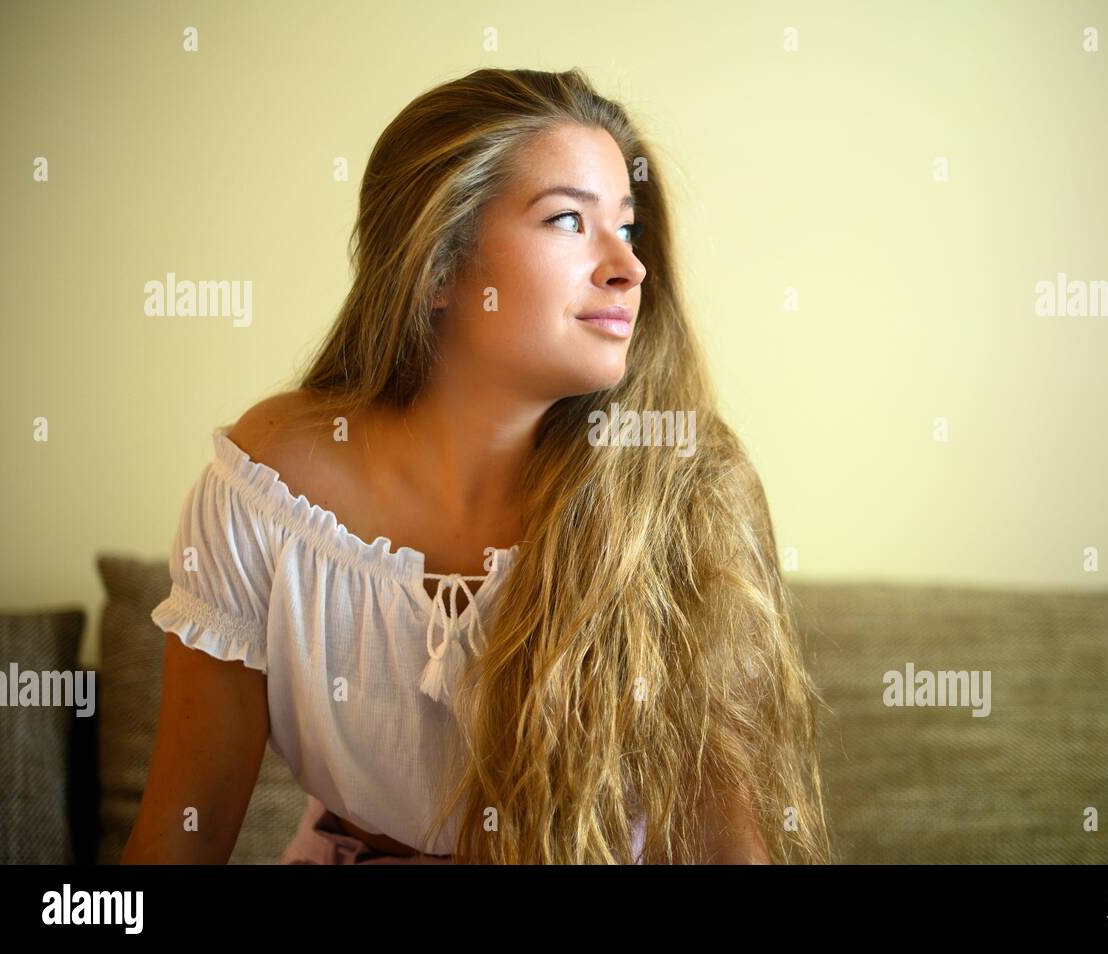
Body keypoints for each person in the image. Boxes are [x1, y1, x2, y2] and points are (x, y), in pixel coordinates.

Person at [122, 67, 832, 865]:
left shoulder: (690, 487)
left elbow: (729, 846)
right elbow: (178, 841)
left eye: (627, 230)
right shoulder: (266, 492)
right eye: (569, 220)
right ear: (435, 269)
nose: (628, 268)